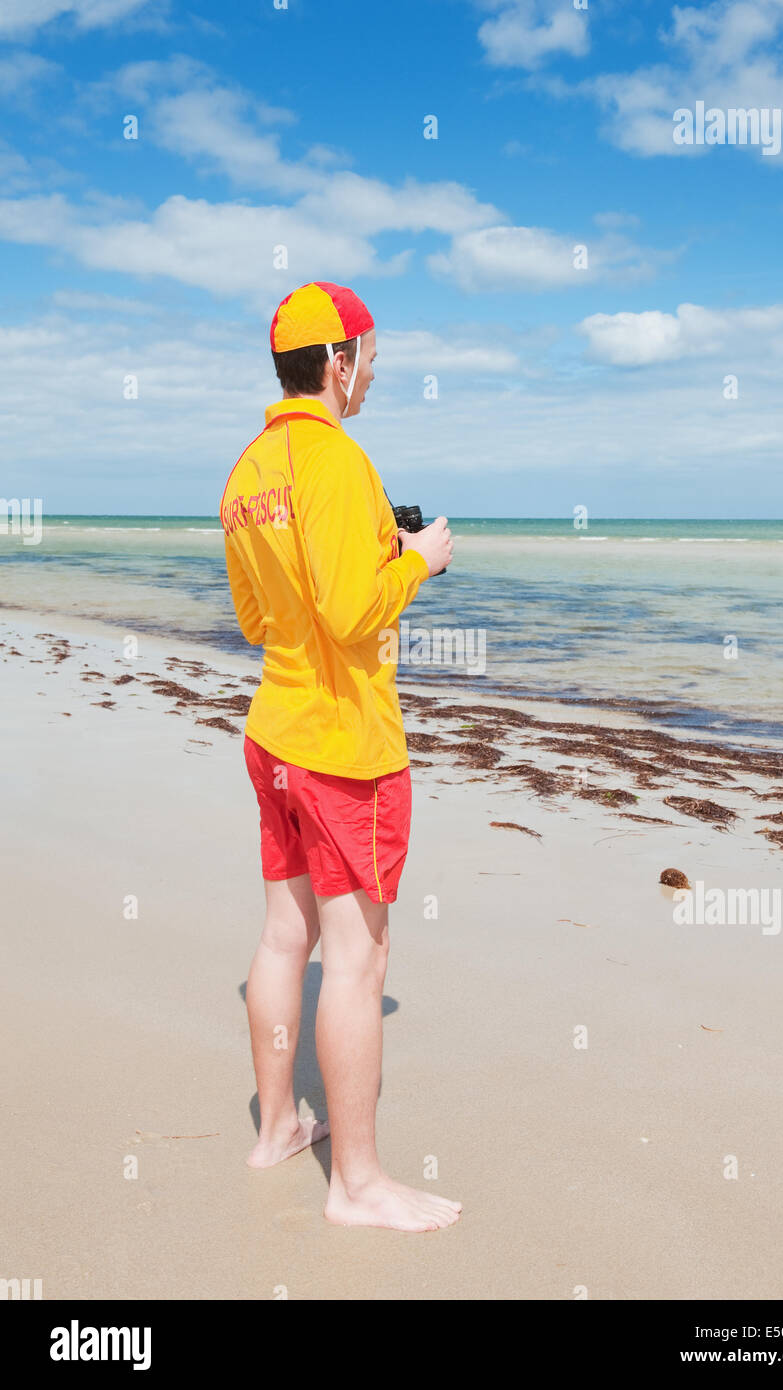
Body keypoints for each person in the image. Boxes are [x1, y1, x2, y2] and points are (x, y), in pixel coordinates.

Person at [220, 281, 460, 1232]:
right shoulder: (336, 460)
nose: (371, 376)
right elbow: (353, 609)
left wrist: (373, 554)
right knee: (356, 960)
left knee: (287, 936)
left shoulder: (248, 469)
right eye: (369, 359)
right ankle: (357, 1185)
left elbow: (254, 618)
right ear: (337, 361)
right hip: (343, 747)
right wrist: (418, 560)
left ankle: (277, 1125)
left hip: (272, 731)